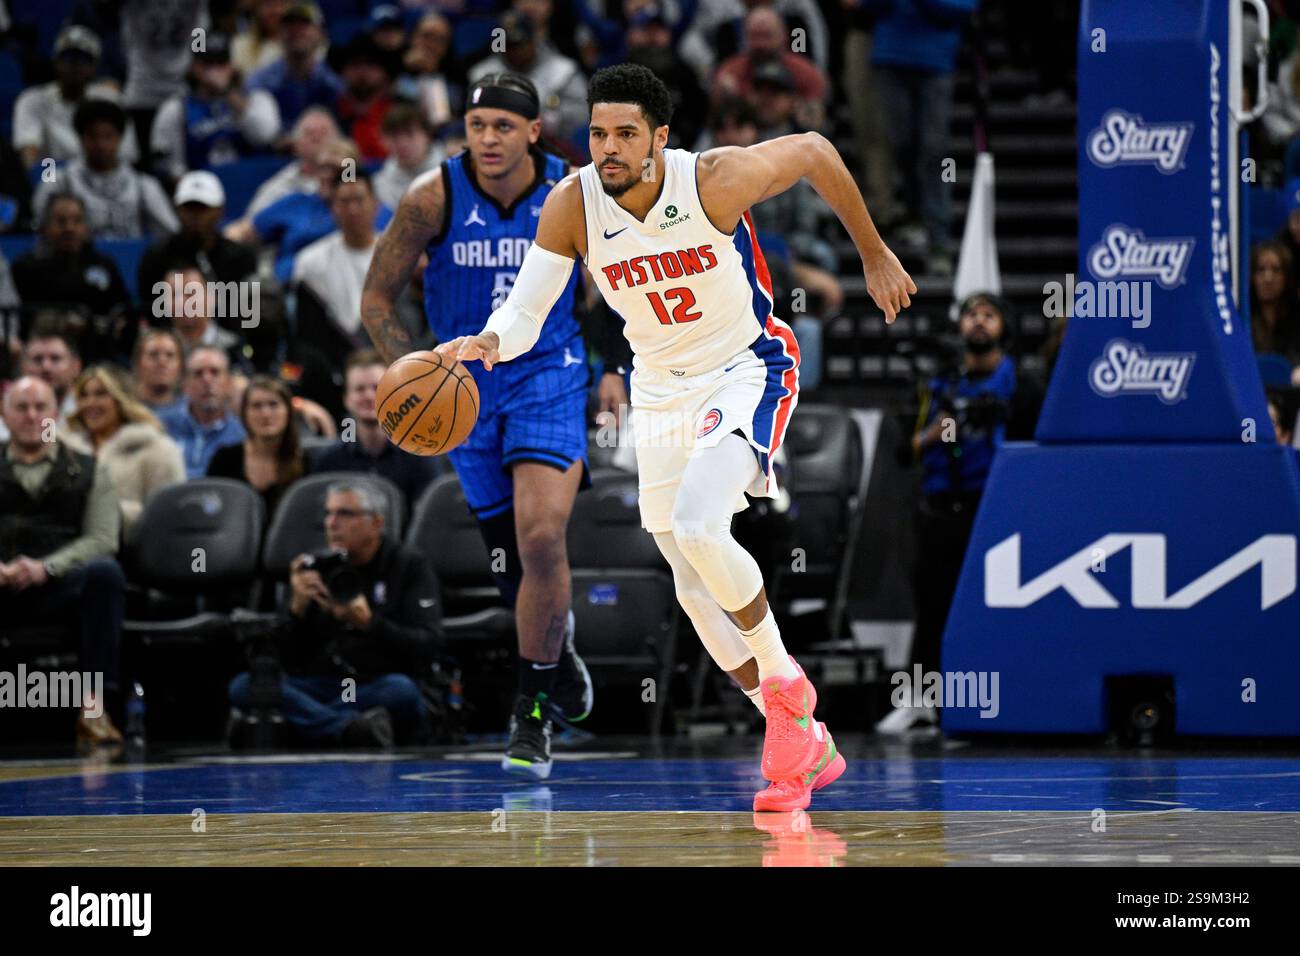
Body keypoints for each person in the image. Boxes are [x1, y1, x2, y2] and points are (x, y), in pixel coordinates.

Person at [370, 64, 915, 808]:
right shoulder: (572, 203)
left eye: (627, 133)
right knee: (691, 585)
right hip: (658, 389)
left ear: (660, 137)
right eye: (598, 132)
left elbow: (817, 148)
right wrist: (486, 342)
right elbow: (528, 312)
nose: (609, 147)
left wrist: (873, 250)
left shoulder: (713, 180)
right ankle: (801, 743)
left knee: (698, 523)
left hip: (743, 369)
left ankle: (785, 684)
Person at [361, 73, 621, 779]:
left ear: (534, 132)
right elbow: (377, 299)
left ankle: (531, 713)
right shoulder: (432, 197)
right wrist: (413, 372)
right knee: (510, 563)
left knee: (541, 538)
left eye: (504, 127)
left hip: (549, 374)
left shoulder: (574, 193)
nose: (489, 140)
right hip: (463, 390)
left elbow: (617, 291)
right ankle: (555, 654)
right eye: (478, 127)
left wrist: (614, 366)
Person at [879, 292, 1041, 735]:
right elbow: (903, 451)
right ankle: (919, 701)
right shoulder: (938, 386)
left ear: (1004, 327)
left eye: (989, 315)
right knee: (931, 606)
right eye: (972, 315)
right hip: (940, 511)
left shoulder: (1025, 387)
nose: (980, 323)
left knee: (1001, 604)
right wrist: (938, 433)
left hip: (999, 512)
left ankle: (1007, 696)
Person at [228, 481, 441, 747]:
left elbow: (429, 644)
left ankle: (300, 724)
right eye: (328, 514)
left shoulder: (408, 565)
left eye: (344, 514)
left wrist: (370, 624)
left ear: (376, 523)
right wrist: (296, 609)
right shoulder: (316, 567)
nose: (331, 523)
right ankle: (348, 727)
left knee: (402, 692)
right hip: (322, 684)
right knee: (246, 685)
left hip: (373, 683)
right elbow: (285, 657)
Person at [0, 376, 125, 747]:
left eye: (41, 407)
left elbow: (103, 539)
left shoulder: (90, 469)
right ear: (4, 415)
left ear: (57, 415)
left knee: (105, 574)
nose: (32, 415)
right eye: (21, 407)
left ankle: (94, 706)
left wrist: (46, 568)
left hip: (57, 586)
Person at [31, 99, 180, 241]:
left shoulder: (143, 186)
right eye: (93, 136)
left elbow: (171, 233)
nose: (101, 145)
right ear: (80, 138)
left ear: (120, 138)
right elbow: (38, 230)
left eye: (108, 136)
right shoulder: (58, 182)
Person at [63, 365, 186, 534]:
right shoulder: (65, 448)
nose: (90, 403)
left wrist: (111, 512)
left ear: (122, 399)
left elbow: (168, 517)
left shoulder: (158, 449)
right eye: (84, 395)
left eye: (101, 394)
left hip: (129, 552)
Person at [310, 349, 440, 508]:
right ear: (346, 399)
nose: (369, 396)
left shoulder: (419, 457)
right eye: (359, 389)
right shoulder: (330, 460)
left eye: (376, 387)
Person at [11, 195, 133, 363]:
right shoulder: (26, 268)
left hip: (97, 355)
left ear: (86, 227)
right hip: (43, 357)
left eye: (77, 221)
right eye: (61, 221)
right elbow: (19, 321)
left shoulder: (103, 264)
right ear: (46, 227)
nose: (69, 228)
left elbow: (122, 312)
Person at [150, 32, 282, 184]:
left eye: (221, 64)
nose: (214, 72)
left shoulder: (257, 98)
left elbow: (264, 137)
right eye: (207, 65)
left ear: (231, 67)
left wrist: (228, 93)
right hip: (206, 190)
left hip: (252, 183)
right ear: (194, 67)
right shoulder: (175, 109)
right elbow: (172, 167)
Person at [137, 173, 259, 326]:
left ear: (220, 211)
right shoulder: (157, 256)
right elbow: (151, 313)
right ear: (177, 210)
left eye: (202, 208)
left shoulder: (240, 257)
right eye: (188, 208)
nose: (195, 215)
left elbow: (247, 315)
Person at [11, 25, 140, 168]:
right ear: (56, 61)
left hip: (99, 176)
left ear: (95, 66)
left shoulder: (110, 100)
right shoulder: (32, 99)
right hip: (51, 174)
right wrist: (51, 185)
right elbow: (29, 157)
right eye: (68, 57)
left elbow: (127, 157)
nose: (75, 65)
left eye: (83, 59)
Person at [466, 11, 590, 156]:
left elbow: (582, 112)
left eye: (519, 45)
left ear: (533, 40)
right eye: (509, 45)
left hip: (553, 147)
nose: (514, 51)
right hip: (497, 146)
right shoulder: (482, 74)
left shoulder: (563, 70)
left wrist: (552, 121)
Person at [292, 170, 383, 363]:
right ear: (333, 208)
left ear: (376, 204)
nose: (353, 210)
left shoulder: (402, 256)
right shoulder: (310, 261)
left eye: (359, 200)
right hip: (334, 359)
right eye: (344, 202)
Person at [711, 6, 828, 132]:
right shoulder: (730, 72)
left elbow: (817, 116)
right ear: (745, 38)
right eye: (755, 36)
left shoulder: (804, 72)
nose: (761, 45)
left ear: (783, 36)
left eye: (767, 36)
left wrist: (805, 112)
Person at [206, 374, 309, 519]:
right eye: (256, 406)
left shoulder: (306, 462)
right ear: (244, 414)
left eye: (273, 404)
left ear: (288, 411)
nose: (265, 414)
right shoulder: (224, 459)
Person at [246, 1, 344, 131]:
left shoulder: (334, 84)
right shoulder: (260, 82)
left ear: (321, 33)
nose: (296, 31)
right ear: (279, 33)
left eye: (304, 24)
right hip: (272, 149)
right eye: (289, 25)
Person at [159, 345, 248, 478]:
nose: (207, 380)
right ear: (185, 384)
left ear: (229, 383)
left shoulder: (243, 436)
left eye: (215, 372)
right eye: (198, 373)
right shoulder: (161, 427)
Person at [245, 108, 341, 217]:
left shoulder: (348, 170)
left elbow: (355, 185)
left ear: (338, 141)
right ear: (296, 145)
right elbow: (253, 220)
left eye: (324, 133)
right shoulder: (281, 185)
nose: (316, 138)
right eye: (309, 133)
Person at [372, 103, 445, 211]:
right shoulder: (379, 186)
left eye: (410, 134)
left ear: (427, 136)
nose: (402, 143)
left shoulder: (454, 171)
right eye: (394, 136)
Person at [1250, 241, 1300, 368]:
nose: (1268, 278)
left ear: (1286, 277)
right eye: (1261, 270)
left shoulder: (1296, 315)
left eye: (1276, 270)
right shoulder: (1241, 316)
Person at [132, 327, 188, 416]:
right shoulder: (124, 408)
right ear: (138, 363)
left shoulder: (191, 410)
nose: (162, 362)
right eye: (153, 354)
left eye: (170, 355)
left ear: (180, 366)